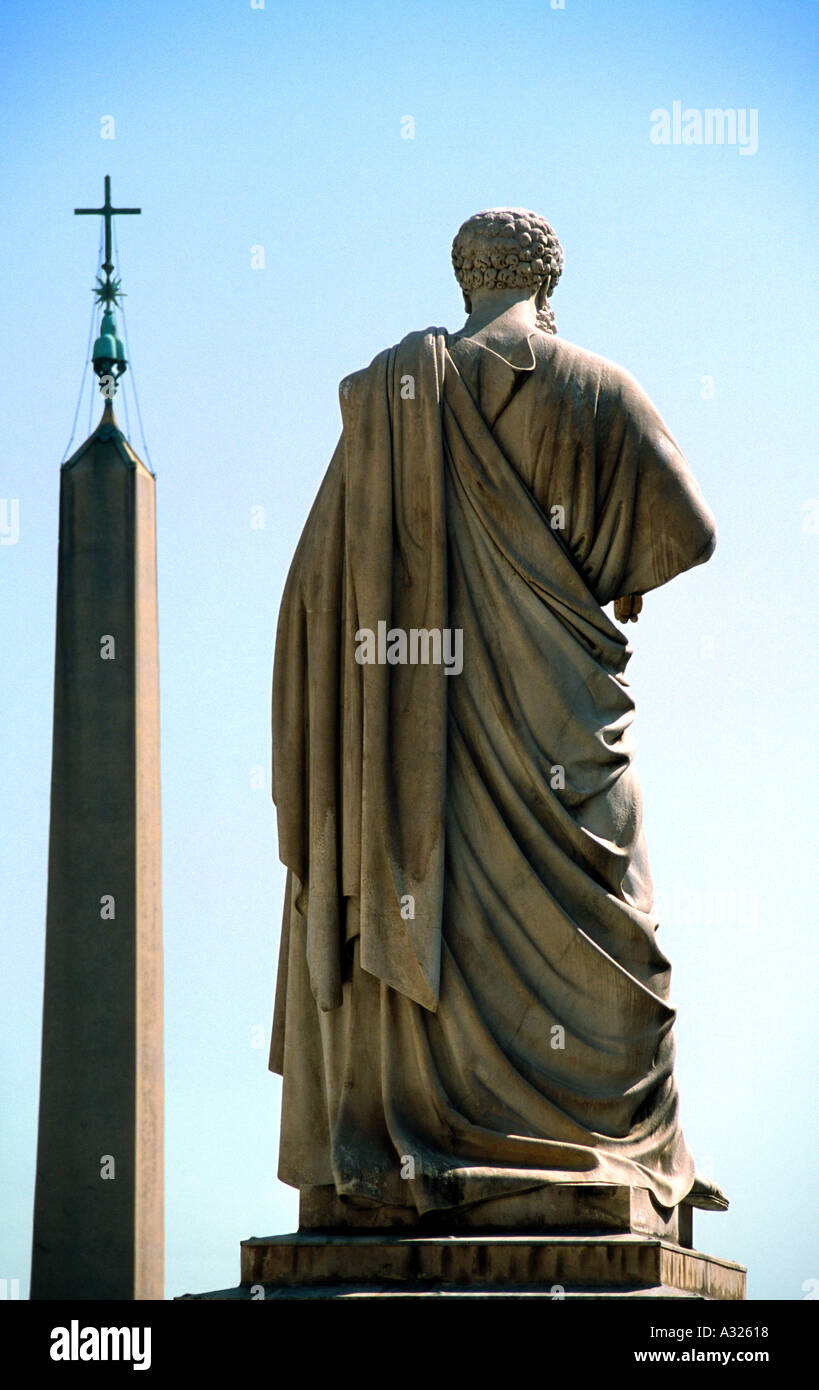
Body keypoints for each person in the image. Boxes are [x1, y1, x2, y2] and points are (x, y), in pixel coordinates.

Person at [269, 207, 726, 1224]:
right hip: (562, 725)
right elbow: (690, 530)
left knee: (432, 909)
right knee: (617, 943)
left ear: (464, 277)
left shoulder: (389, 403)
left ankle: (425, 1132)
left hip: (414, 755)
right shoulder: (596, 388)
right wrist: (601, 569)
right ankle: (588, 1154)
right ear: (549, 280)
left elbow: (310, 600)